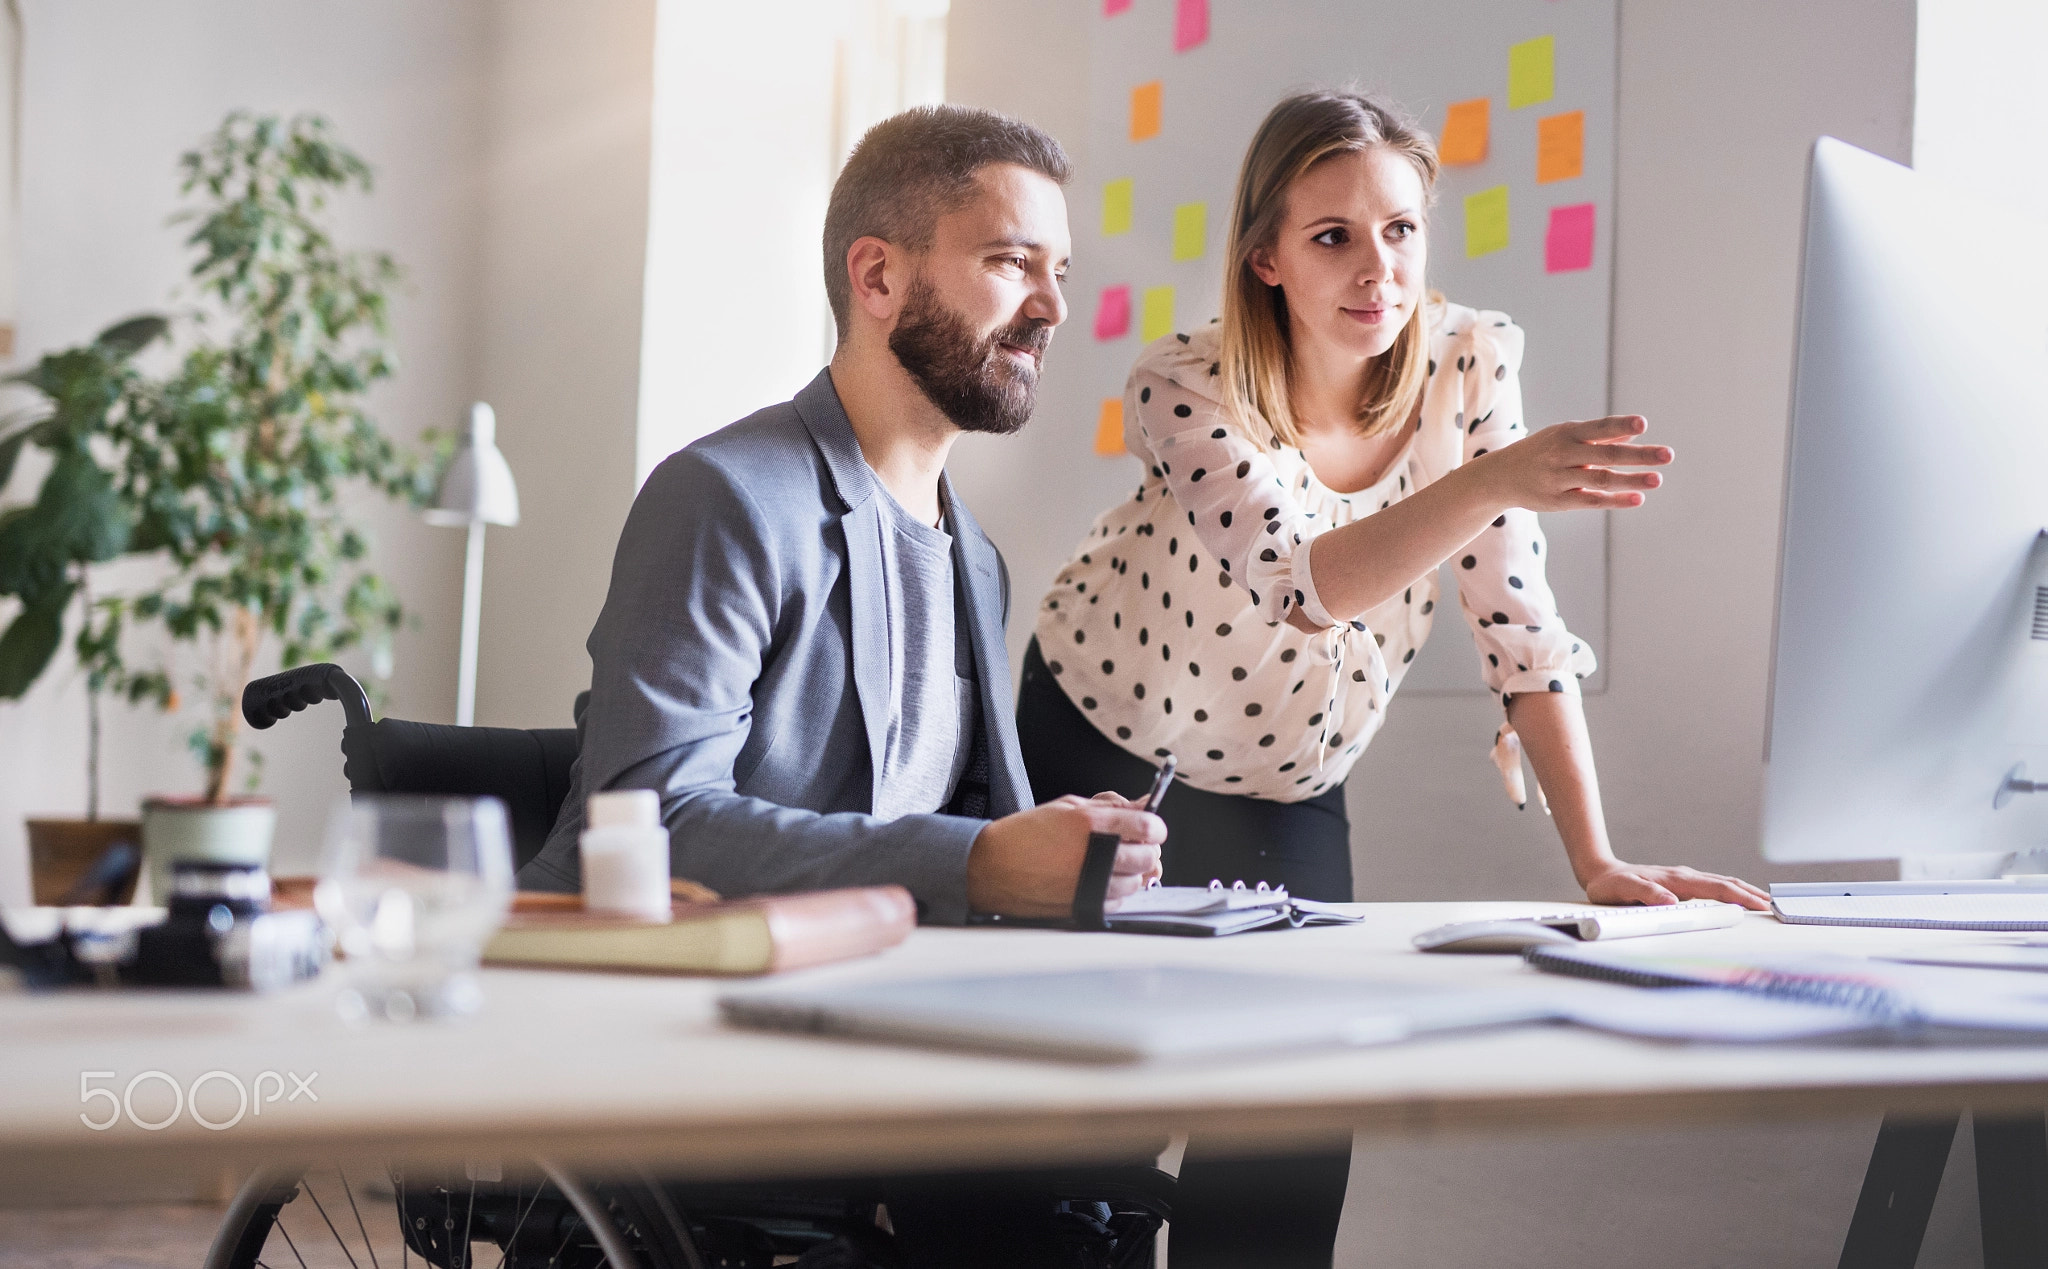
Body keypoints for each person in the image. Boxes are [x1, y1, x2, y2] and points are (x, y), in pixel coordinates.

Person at [1018, 88, 1770, 1267]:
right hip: (1103, 741)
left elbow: (1517, 625)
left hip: (1285, 780)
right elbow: (1304, 584)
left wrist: (1593, 858)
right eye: (1333, 237)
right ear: (1265, 257)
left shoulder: (1469, 362)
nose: (1379, 271)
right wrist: (1488, 481)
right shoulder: (1183, 387)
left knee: (1291, 1128)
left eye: (1401, 229)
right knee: (1085, 1129)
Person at [521, 104, 1163, 922]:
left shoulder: (977, 562)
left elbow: (941, 829)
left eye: (1060, 271)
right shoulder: (723, 499)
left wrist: (1055, 845)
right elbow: (651, 825)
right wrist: (981, 861)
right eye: (1012, 261)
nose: (1053, 308)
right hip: (649, 977)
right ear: (877, 277)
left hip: (869, 974)